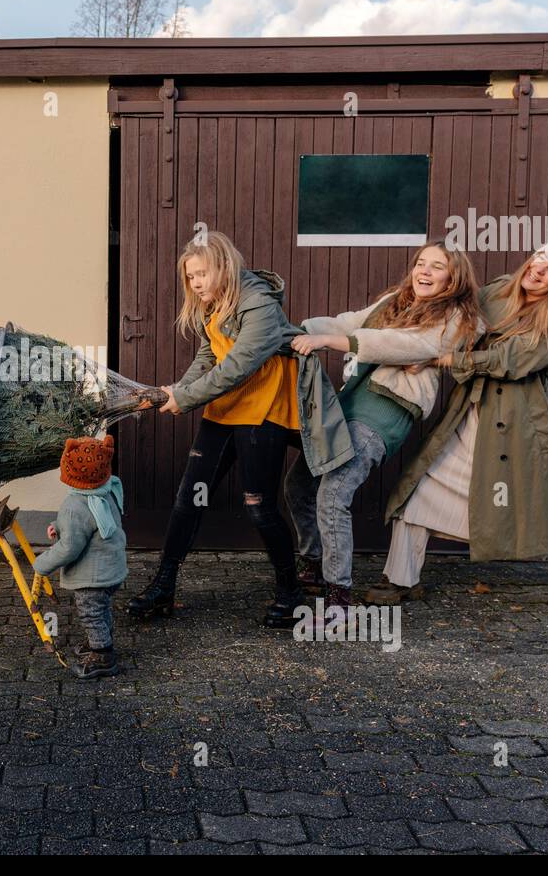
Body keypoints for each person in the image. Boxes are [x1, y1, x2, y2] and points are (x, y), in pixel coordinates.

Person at [381, 235, 548, 627]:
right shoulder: (496, 291)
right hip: (474, 416)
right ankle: (400, 579)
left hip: (523, 427)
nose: (539, 269)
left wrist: (448, 359)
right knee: (421, 488)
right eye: (541, 256)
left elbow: (513, 359)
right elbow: (457, 320)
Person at [129, 230, 352, 623]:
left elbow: (237, 367)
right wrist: (179, 389)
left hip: (263, 408)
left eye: (201, 274)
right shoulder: (212, 305)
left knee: (258, 504)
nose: (195, 283)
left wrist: (189, 397)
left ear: (224, 267)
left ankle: (292, 595)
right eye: (190, 277)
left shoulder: (259, 304)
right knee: (189, 497)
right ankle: (163, 586)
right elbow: (209, 355)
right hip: (227, 407)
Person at [276, 241, 482, 625]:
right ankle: (316, 563)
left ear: (453, 278)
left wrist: (335, 342)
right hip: (350, 401)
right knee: (298, 486)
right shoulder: (395, 300)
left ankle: (339, 600)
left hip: (386, 410)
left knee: (333, 492)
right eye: (421, 263)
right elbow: (348, 321)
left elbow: (408, 345)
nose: (425, 271)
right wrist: (294, 330)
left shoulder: (455, 317)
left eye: (437, 267)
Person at [33, 435, 129, 678]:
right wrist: (59, 525)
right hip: (112, 569)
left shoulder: (74, 505)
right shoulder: (108, 490)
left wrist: (42, 563)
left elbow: (69, 547)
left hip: (92, 577)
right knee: (102, 607)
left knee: (91, 612)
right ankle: (100, 641)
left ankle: (103, 655)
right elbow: (88, 524)